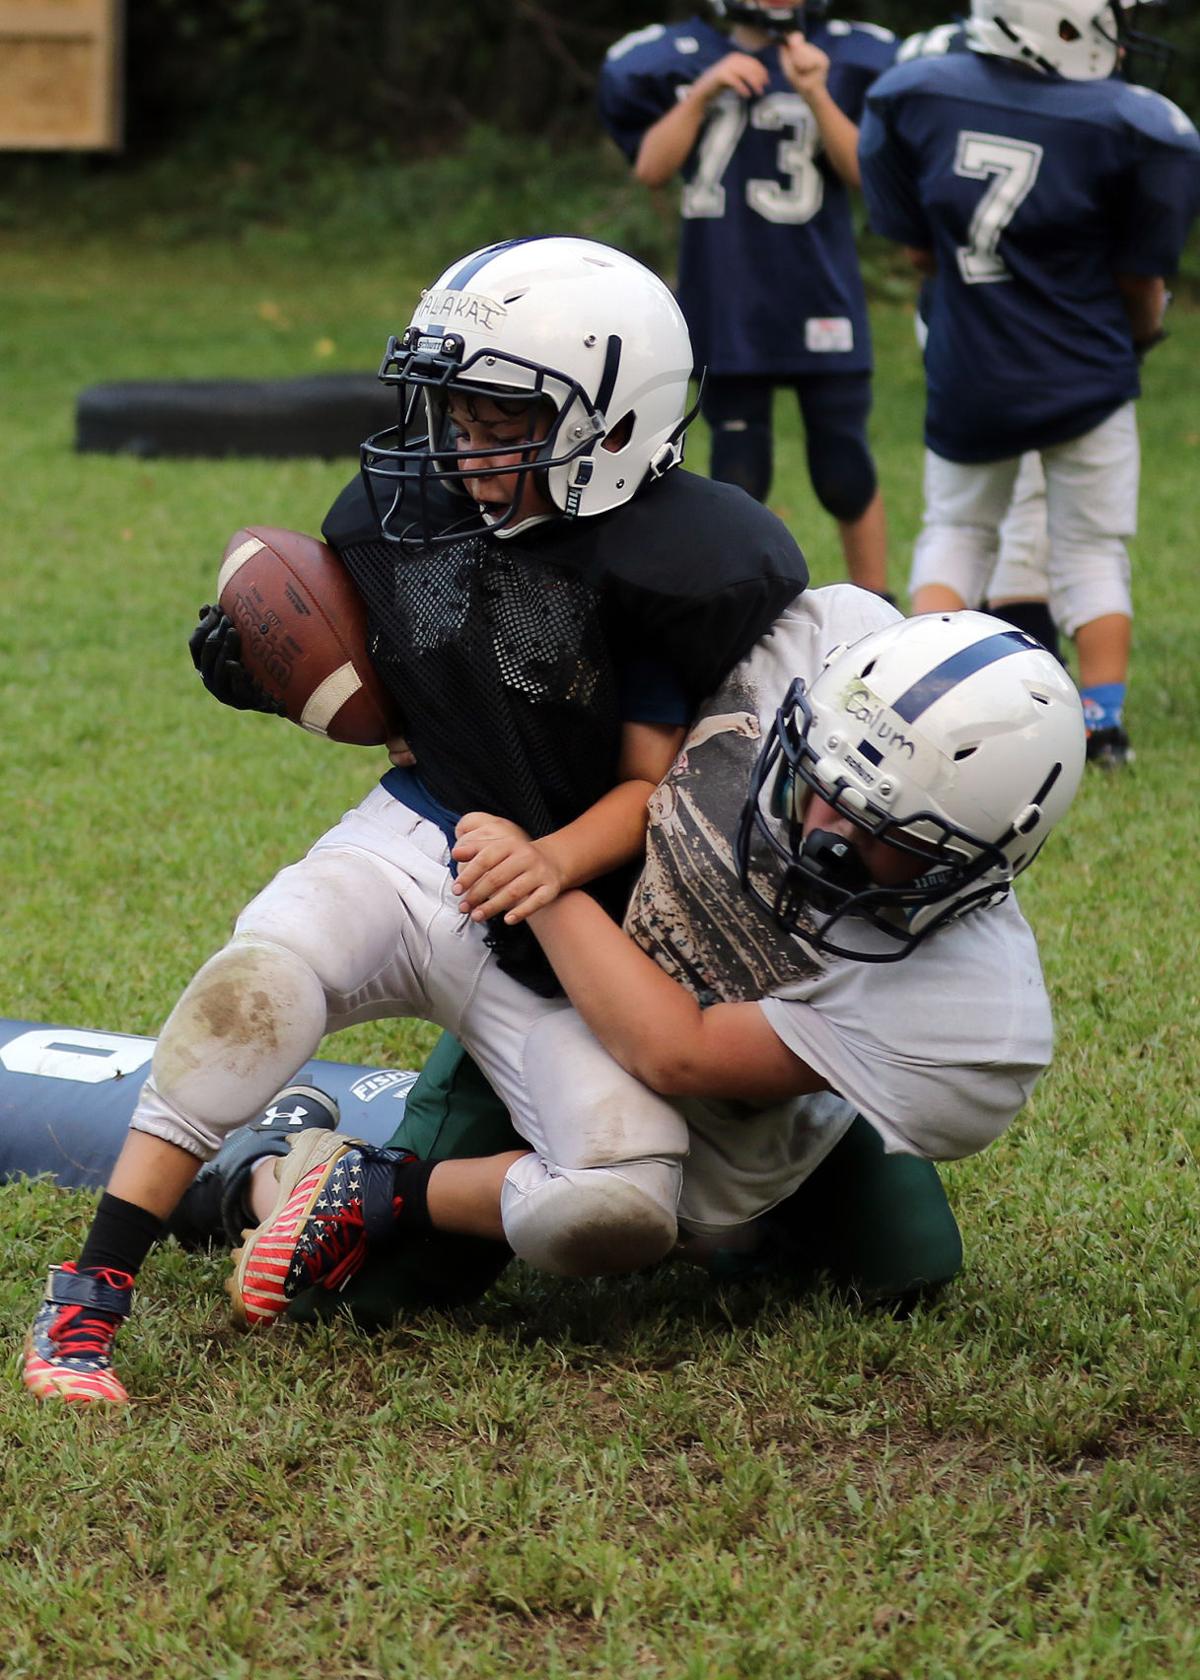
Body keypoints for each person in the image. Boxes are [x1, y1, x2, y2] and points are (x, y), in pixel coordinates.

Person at [22, 234, 812, 1406]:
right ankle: (88, 1294)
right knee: (258, 985)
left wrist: (544, 864)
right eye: (453, 411)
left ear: (614, 423)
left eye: (501, 420)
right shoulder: (409, 515)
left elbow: (651, 793)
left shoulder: (681, 563)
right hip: (419, 835)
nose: (461, 446)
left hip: (570, 916)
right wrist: (269, 667)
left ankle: (359, 1182)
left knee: (623, 1205)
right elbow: (398, 691)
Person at [179, 592, 1084, 1335]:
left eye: (882, 836)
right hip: (561, 1007)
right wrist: (356, 674)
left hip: (724, 1073)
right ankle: (270, 1169)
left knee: (909, 1274)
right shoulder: (793, 641)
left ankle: (727, 1229)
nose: (825, 835)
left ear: (974, 870)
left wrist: (539, 874)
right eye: (822, 786)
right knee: (350, 1304)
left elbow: (679, 1052)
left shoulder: (974, 1012)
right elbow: (539, 626)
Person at [858, 0, 1200, 765]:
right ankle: (1102, 724)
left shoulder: (916, 93)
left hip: (970, 361)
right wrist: (1142, 335)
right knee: (1091, 552)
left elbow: (917, 254)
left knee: (956, 532)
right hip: (1083, 369)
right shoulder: (1134, 124)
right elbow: (1141, 280)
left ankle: (920, 702)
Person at [599, 2, 897, 594]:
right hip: (726, 293)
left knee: (845, 471)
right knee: (739, 473)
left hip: (820, 290)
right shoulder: (680, 60)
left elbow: (869, 175)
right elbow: (651, 169)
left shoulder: (845, 56)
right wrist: (701, 92)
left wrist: (816, 93)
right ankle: (737, 604)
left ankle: (880, 608)